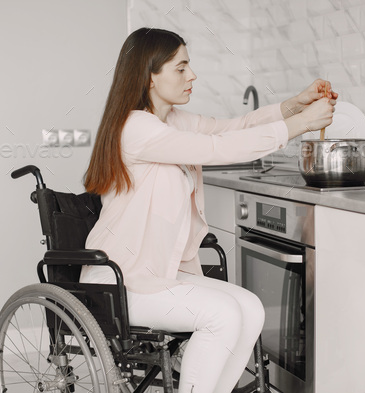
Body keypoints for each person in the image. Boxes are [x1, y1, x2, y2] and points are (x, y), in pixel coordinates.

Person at [81, 27, 337, 393]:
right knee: (222, 316)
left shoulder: (172, 121)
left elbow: (233, 128)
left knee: (250, 308)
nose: (192, 75)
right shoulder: (136, 127)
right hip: (121, 281)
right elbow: (219, 150)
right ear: (151, 75)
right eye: (181, 67)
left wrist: (295, 105)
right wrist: (301, 125)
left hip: (156, 274)